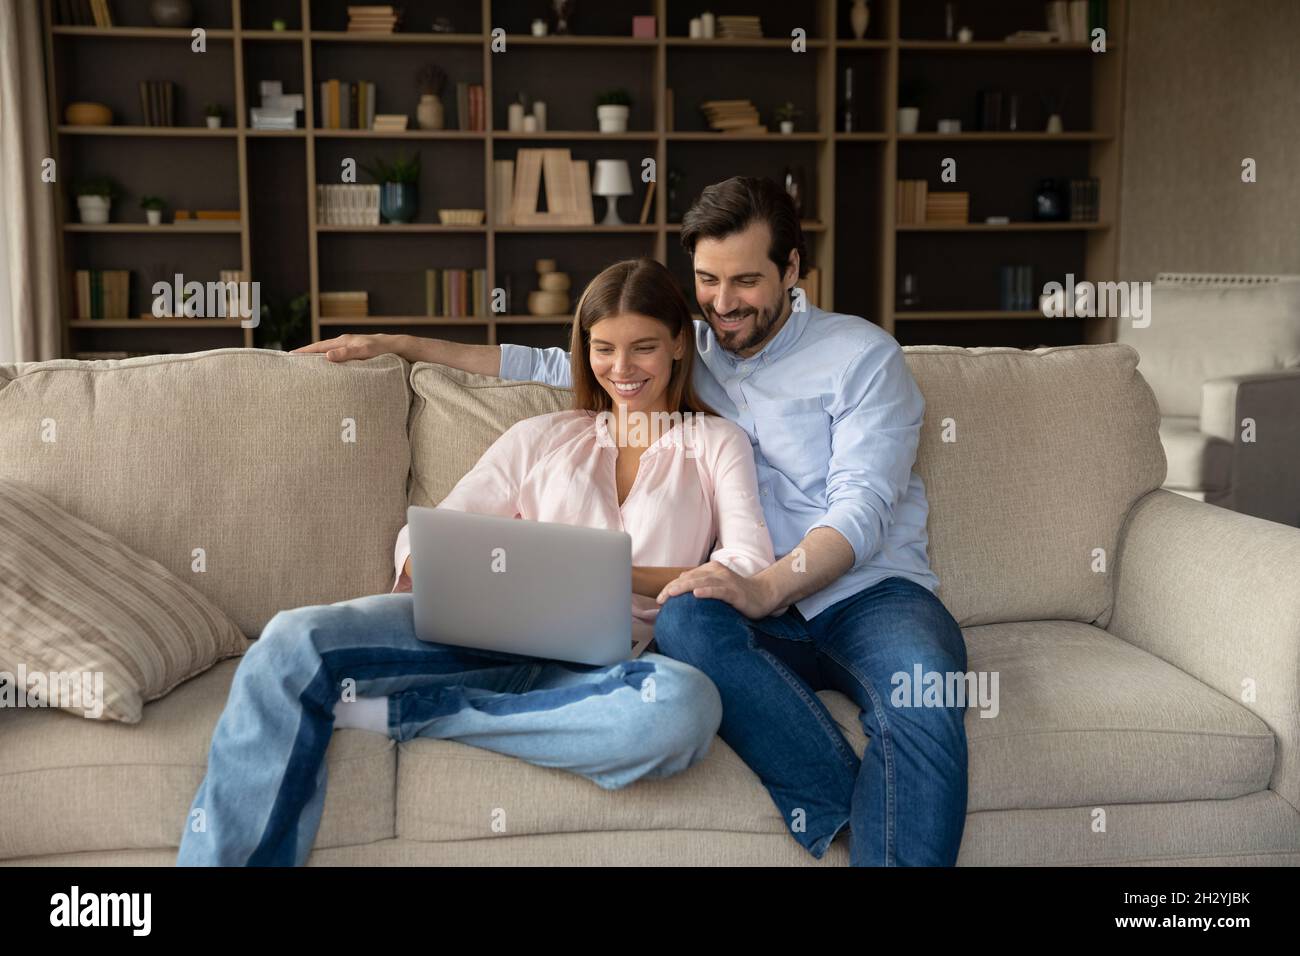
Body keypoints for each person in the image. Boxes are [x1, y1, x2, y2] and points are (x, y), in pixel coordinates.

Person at [299, 176, 970, 867]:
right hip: (746, 606)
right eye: (708, 281)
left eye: (746, 280)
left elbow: (860, 508)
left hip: (866, 595)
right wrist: (402, 342)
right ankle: (840, 813)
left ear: (794, 269)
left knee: (921, 700)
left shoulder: (862, 357)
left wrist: (767, 586)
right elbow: (570, 359)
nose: (725, 302)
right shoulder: (694, 347)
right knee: (683, 619)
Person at [178, 257, 774, 866]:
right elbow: (430, 537)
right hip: (482, 637)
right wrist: (438, 567)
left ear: (679, 343)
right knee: (288, 641)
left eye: (643, 347)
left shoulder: (714, 443)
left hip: (602, 668)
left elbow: (746, 566)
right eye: (603, 349)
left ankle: (416, 715)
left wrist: (609, 573)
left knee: (685, 708)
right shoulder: (543, 435)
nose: (621, 369)